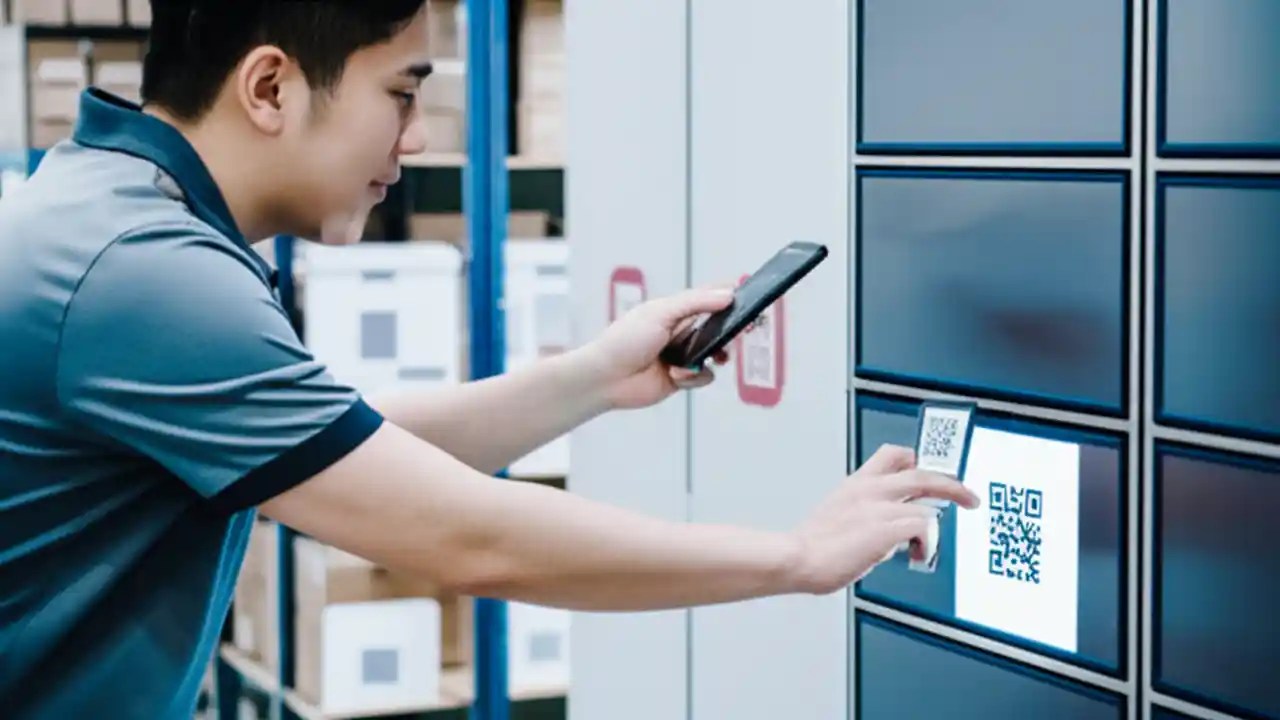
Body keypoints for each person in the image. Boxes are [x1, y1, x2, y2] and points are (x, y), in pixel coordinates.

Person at [0, 1, 979, 716]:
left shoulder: (112, 211)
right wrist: (796, 557)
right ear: (270, 87)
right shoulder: (143, 274)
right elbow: (467, 538)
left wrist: (592, 377)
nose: (418, 136)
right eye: (402, 92)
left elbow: (342, 455)